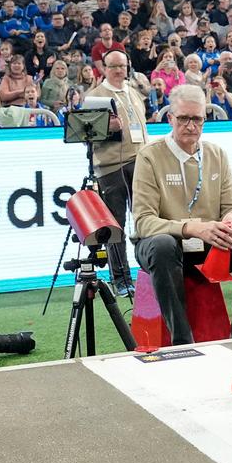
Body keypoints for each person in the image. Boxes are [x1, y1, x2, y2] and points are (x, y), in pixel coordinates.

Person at [131, 85, 232, 345]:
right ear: (170, 119)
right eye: (183, 118)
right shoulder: (149, 156)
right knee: (162, 245)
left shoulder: (216, 154)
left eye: (196, 119)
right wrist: (192, 228)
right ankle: (182, 341)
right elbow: (143, 222)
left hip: (209, 247)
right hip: (164, 247)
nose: (190, 125)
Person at [85, 50, 150, 296]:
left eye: (123, 65)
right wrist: (104, 128)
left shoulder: (133, 93)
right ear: (104, 67)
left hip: (140, 162)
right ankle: (121, 279)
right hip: (111, 167)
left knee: (146, 218)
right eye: (114, 66)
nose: (119, 70)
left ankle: (148, 270)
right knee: (116, 226)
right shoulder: (95, 97)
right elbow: (86, 138)